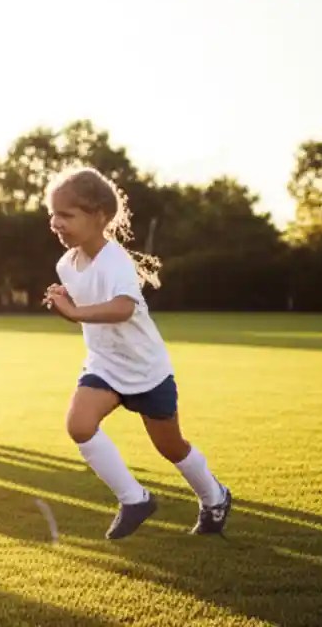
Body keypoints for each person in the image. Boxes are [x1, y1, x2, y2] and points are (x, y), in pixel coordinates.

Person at [44, 167, 231, 539]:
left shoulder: (115, 260)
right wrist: (67, 302)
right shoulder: (66, 264)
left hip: (146, 369)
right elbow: (91, 308)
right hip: (104, 365)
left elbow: (123, 307)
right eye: (53, 214)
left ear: (99, 216)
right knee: (79, 425)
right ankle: (134, 499)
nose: (56, 223)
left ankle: (215, 498)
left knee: (170, 446)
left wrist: (76, 312)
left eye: (66, 215)